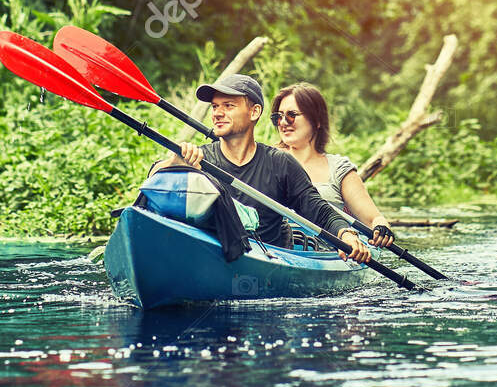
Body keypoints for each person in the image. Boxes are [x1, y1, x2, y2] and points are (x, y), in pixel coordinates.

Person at [153, 72, 371, 262]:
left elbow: (320, 212)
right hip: (214, 253)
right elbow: (153, 184)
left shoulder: (280, 164)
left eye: (228, 106)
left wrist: (346, 234)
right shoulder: (199, 159)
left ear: (254, 112)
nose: (217, 113)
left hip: (268, 260)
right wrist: (172, 164)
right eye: (215, 106)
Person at [271, 82, 394, 248]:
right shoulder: (266, 160)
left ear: (316, 121)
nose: (283, 123)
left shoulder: (339, 169)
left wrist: (381, 227)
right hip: (273, 249)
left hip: (323, 253)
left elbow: (373, 219)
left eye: (291, 115)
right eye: (278, 117)